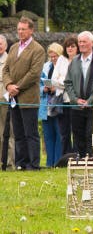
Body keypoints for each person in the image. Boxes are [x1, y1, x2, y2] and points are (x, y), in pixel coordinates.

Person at [3, 17, 46, 170]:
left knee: (31, 133)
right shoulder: (14, 47)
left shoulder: (38, 49)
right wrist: (8, 85)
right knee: (18, 133)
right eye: (19, 29)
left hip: (28, 97)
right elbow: (6, 69)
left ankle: (33, 164)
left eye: (23, 29)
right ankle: (21, 163)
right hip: (13, 98)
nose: (20, 32)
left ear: (31, 30)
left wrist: (18, 87)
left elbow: (34, 73)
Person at [64, 31, 93, 158]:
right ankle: (81, 162)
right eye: (80, 42)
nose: (81, 44)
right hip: (76, 108)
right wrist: (75, 100)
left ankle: (92, 162)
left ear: (91, 43)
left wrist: (90, 101)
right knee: (78, 136)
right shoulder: (75, 61)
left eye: (84, 42)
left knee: (90, 136)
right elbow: (68, 82)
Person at [41, 43, 68, 167]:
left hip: (58, 103)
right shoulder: (46, 66)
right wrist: (44, 89)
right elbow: (39, 82)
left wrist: (54, 88)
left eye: (55, 56)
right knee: (48, 135)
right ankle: (49, 162)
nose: (53, 59)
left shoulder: (65, 65)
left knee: (59, 134)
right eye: (51, 56)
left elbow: (64, 83)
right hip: (46, 103)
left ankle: (57, 162)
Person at [59, 36, 79, 156]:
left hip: (75, 100)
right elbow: (55, 79)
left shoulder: (79, 60)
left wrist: (63, 82)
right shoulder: (62, 60)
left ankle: (77, 155)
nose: (70, 48)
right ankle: (65, 156)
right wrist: (65, 83)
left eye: (73, 46)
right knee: (64, 131)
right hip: (62, 100)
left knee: (75, 130)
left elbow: (74, 81)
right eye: (68, 46)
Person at [0, 34, 13, 170]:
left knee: (8, 134)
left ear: (5, 45)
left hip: (6, 99)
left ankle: (9, 163)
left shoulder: (10, 59)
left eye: (1, 44)